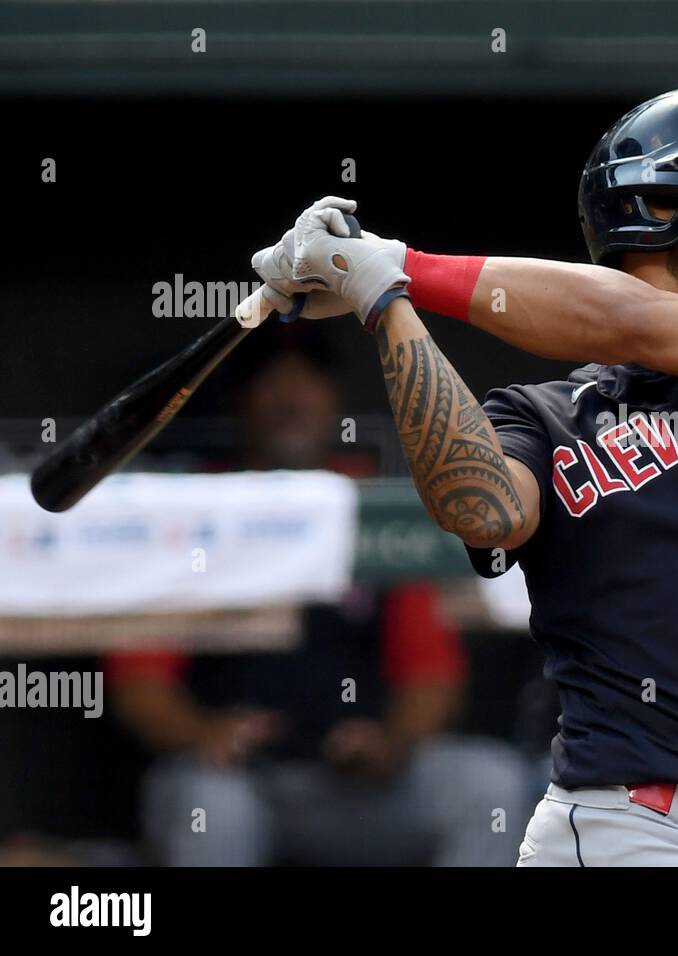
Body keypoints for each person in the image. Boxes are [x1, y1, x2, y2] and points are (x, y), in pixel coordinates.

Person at [248, 84, 678, 866]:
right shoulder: (548, 414)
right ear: (655, 202)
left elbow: (629, 320)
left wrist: (401, 268)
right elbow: (481, 509)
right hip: (630, 831)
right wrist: (382, 301)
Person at [107, 325, 532, 866]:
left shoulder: (370, 507)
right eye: (271, 383)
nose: (291, 398)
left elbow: (431, 673)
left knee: (487, 783)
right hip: (240, 781)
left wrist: (389, 742)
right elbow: (140, 683)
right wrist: (202, 732)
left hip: (353, 787)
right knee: (210, 808)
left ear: (333, 397)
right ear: (239, 400)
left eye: (307, 380)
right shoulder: (196, 508)